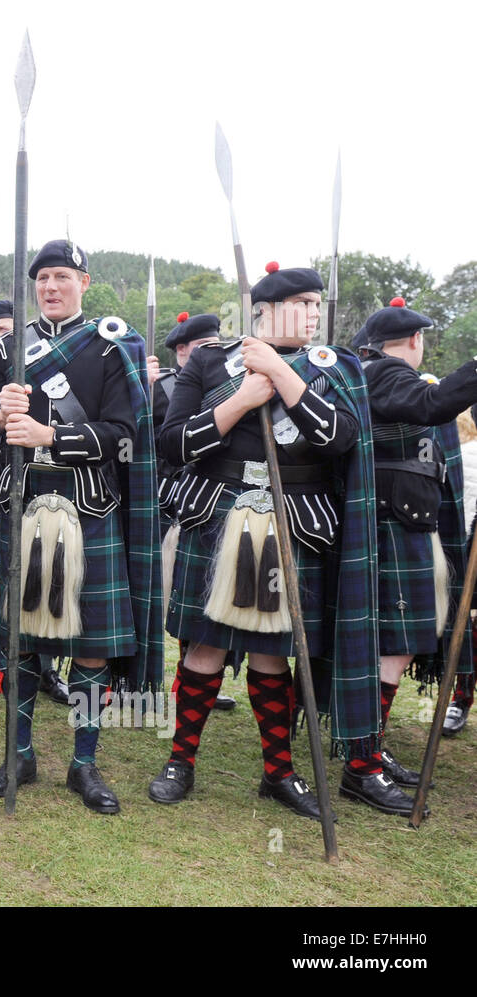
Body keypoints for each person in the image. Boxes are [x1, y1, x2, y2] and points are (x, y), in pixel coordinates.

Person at [150, 262, 379, 820]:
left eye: (315, 304)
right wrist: (241, 399)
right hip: (218, 514)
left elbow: (339, 440)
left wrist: (281, 372)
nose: (311, 314)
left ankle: (278, 772)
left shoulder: (334, 365)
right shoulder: (209, 360)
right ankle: (182, 761)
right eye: (299, 303)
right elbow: (174, 443)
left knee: (274, 654)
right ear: (262, 310)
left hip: (295, 520)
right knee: (203, 645)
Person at [0, 240, 161, 812]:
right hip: (21, 505)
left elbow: (126, 432)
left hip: (90, 507)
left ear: (84, 280)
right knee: (22, 640)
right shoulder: (10, 349)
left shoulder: (113, 345)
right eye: (42, 278)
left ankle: (84, 763)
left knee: (91, 646)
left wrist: (52, 437)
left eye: (62, 276)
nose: (51, 287)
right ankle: (19, 753)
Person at [347, 297, 476, 813]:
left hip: (403, 527)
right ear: (414, 342)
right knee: (391, 648)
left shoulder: (380, 374)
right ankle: (361, 768)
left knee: (393, 647)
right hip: (390, 529)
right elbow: (433, 406)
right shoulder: (385, 373)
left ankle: (369, 753)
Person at [0, 299, 68, 706]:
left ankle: (47, 671)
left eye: (4, 329)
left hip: (33, 485)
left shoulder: (37, 363)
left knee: (45, 577)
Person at [154, 312, 235, 712]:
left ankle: (199, 680)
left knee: (208, 604)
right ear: (182, 351)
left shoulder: (229, 381)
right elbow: (158, 444)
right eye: (202, 348)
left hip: (214, 501)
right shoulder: (165, 387)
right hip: (170, 502)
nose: (213, 353)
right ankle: (166, 679)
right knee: (173, 602)